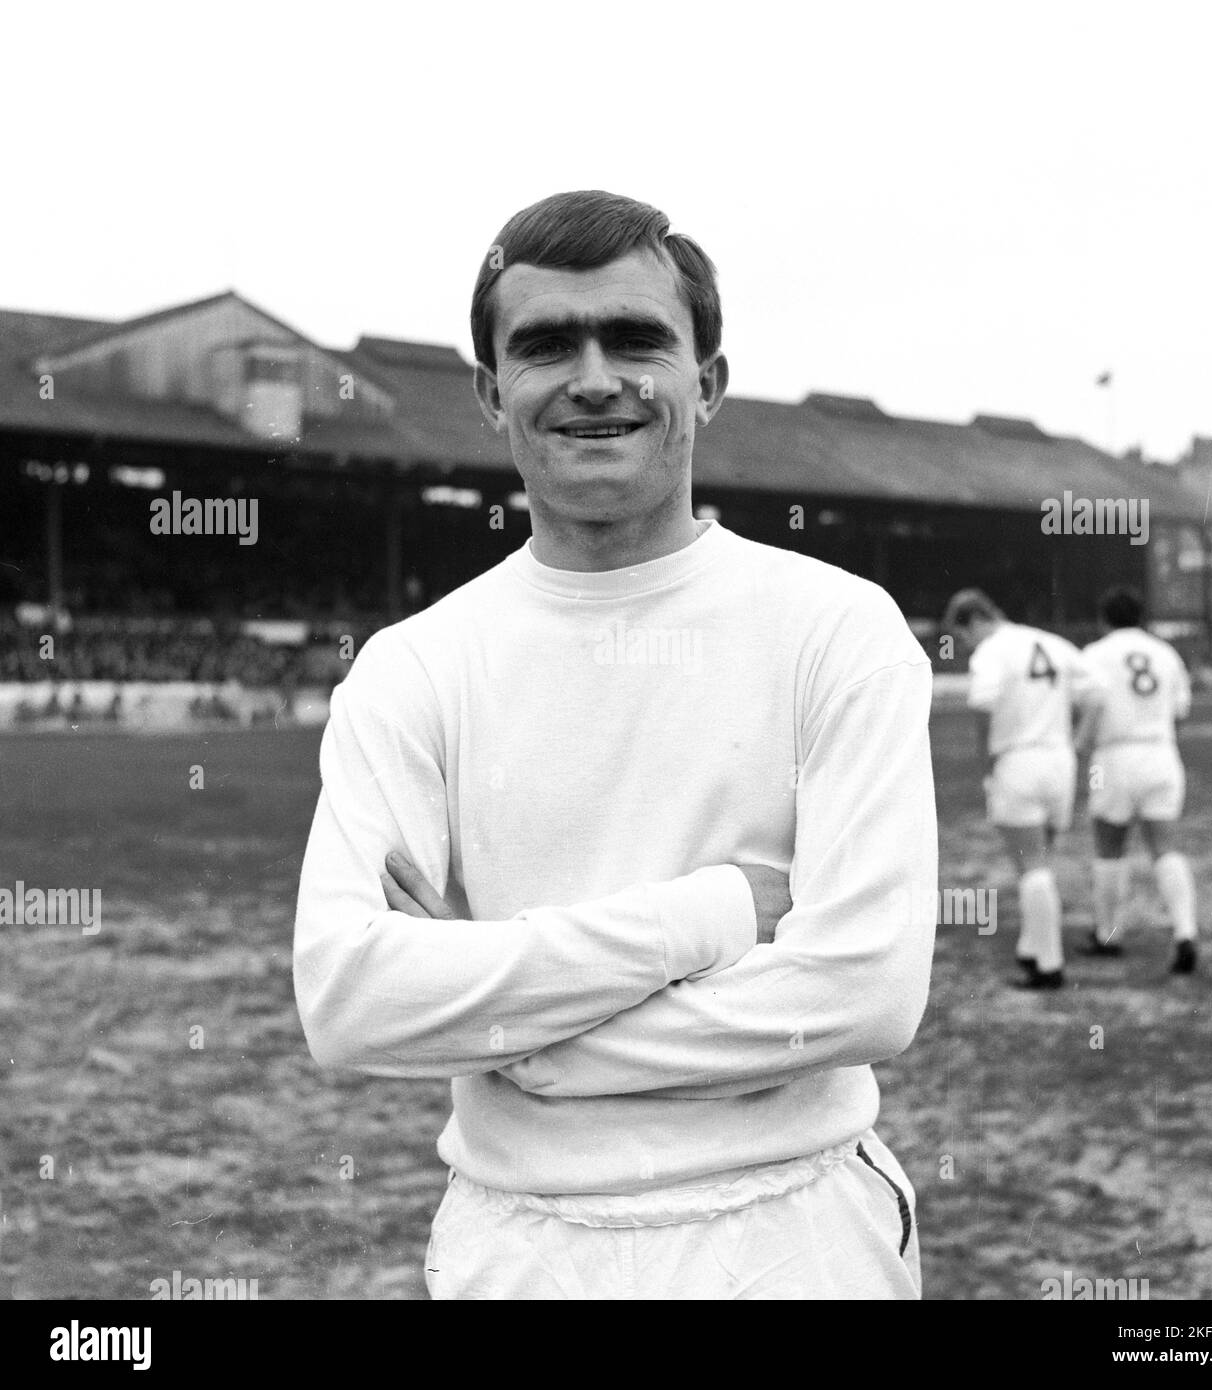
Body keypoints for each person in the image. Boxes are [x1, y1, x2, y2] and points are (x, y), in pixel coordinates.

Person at [293, 190, 938, 1300]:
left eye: (636, 339)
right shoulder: (414, 666)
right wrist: (712, 914)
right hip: (524, 1240)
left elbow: (864, 994)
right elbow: (351, 998)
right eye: (546, 347)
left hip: (791, 1230)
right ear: (496, 396)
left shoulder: (837, 628)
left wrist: (505, 1027)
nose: (595, 378)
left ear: (708, 382)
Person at [942, 589, 1094, 989]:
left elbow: (982, 709)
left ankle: (1049, 965)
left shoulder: (991, 651)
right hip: (1061, 762)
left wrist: (988, 766)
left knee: (1032, 867)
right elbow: (1096, 692)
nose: (966, 645)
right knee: (1041, 860)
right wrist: (1076, 740)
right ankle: (1032, 947)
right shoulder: (1051, 642)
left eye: (963, 636)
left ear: (972, 621)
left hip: (1019, 762)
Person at [1075, 586, 1198, 973]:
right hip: (1161, 753)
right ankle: (1185, 932)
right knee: (1165, 846)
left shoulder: (1094, 654)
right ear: (1142, 617)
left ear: (1103, 618)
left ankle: (1108, 935)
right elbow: (1180, 713)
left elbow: (1084, 707)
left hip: (1114, 756)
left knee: (1109, 847)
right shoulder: (1166, 653)